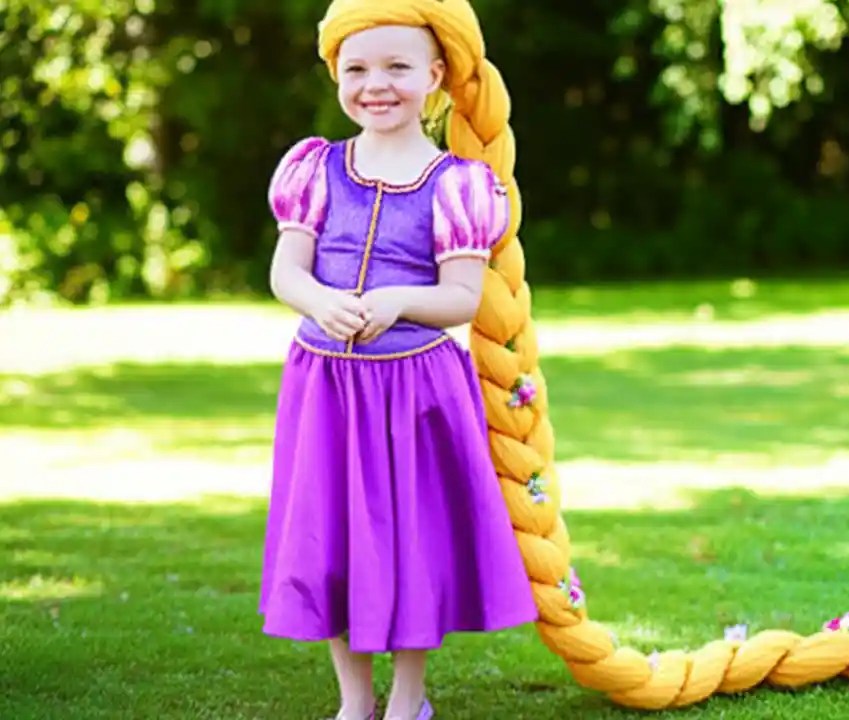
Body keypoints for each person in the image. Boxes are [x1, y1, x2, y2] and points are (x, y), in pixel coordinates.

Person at [256, 8, 538, 720]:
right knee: (332, 539)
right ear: (336, 78)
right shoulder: (315, 168)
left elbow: (461, 298)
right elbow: (286, 272)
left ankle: (410, 697)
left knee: (412, 545)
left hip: (414, 388)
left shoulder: (457, 185)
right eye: (356, 69)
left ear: (434, 77)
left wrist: (396, 301)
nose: (374, 85)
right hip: (326, 385)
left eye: (396, 68)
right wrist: (320, 301)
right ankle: (355, 701)